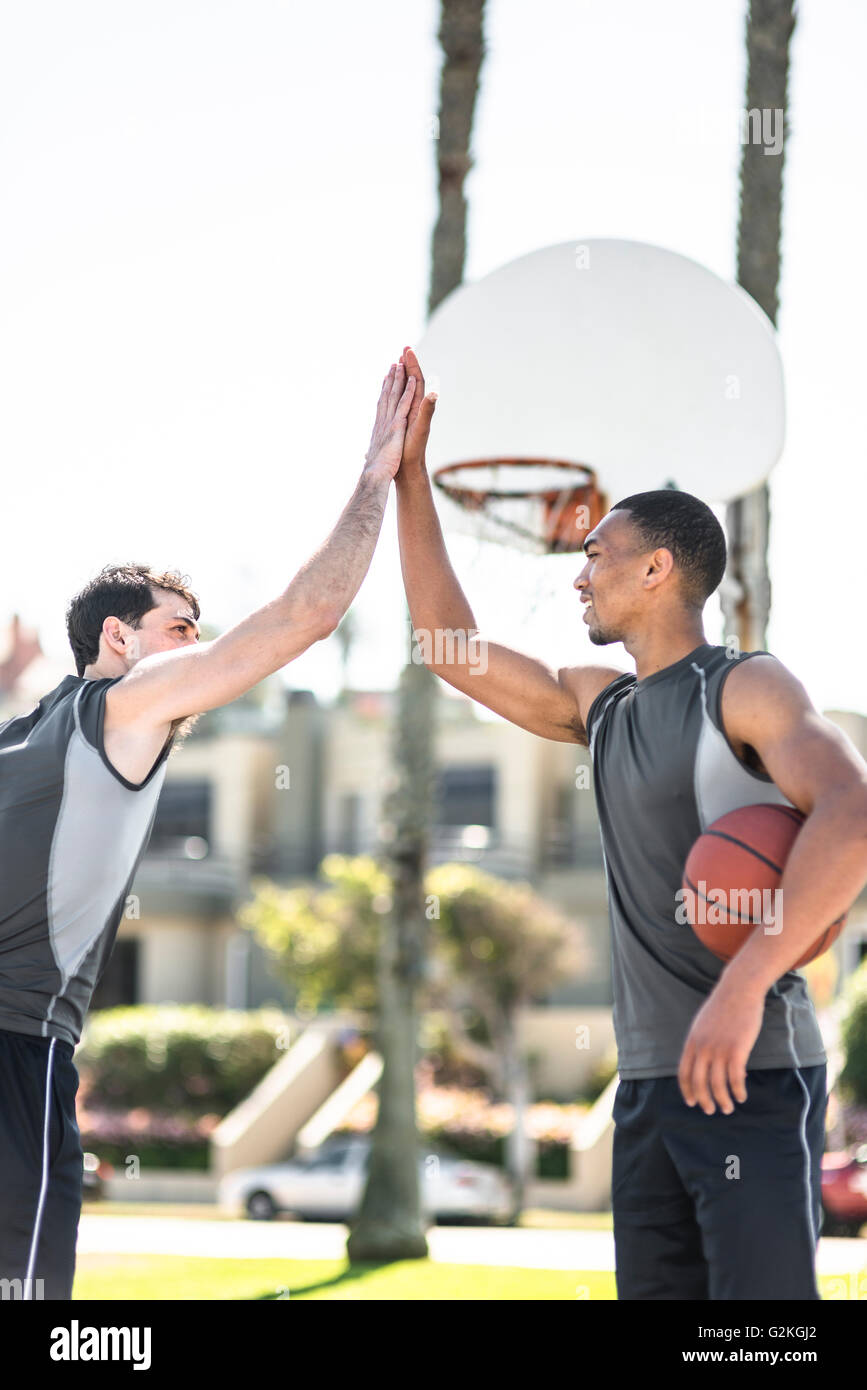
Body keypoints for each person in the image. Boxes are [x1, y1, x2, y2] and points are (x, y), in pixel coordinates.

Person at [394, 344, 867, 1300]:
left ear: (656, 569)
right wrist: (408, 477)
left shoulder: (744, 685)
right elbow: (445, 646)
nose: (578, 577)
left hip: (752, 1068)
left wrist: (743, 987)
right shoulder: (599, 704)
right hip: (649, 1084)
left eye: (595, 558)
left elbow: (853, 814)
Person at [0, 358, 417, 1300]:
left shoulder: (25, 733)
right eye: (182, 628)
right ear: (120, 640)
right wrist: (372, 478)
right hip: (17, 1053)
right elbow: (305, 618)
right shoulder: (122, 707)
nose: (199, 647)